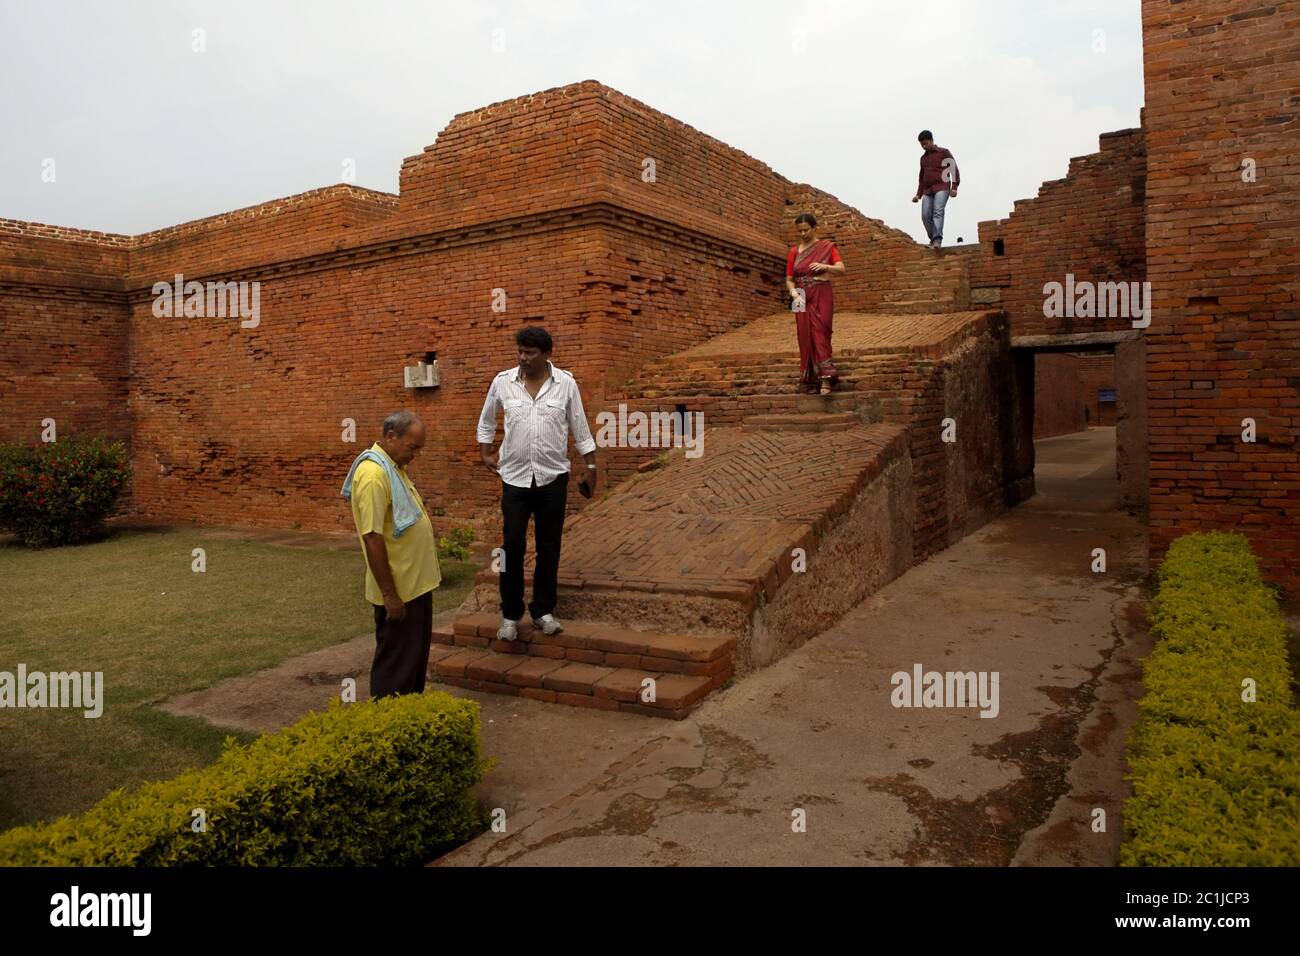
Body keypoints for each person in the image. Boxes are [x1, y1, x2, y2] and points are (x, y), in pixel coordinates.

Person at [476, 326, 599, 641]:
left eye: (530, 353)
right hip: (514, 479)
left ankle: (543, 610)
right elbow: (487, 419)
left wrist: (591, 465)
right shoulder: (503, 382)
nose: (523, 358)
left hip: (552, 478)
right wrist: (486, 452)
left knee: (549, 546)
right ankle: (510, 614)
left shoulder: (566, 384)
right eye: (520, 351)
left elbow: (579, 425)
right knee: (512, 545)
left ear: (546, 354)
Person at [341, 410, 442, 699]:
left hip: (415, 585)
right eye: (413, 448)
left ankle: (409, 721)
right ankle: (387, 726)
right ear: (390, 437)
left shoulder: (393, 467)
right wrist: (390, 595)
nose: (416, 455)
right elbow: (372, 537)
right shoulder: (374, 475)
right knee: (396, 666)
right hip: (399, 591)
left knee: (413, 664)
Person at [785, 213, 846, 395]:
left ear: (814, 228)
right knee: (804, 336)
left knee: (821, 331)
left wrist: (825, 266)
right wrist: (793, 292)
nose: (803, 233)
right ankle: (810, 379)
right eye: (800, 231)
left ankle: (826, 379)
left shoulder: (826, 247)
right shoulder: (794, 252)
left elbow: (842, 269)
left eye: (806, 229)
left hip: (821, 290)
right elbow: (789, 279)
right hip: (800, 295)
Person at [912, 130, 960, 248]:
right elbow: (922, 178)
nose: (924, 146)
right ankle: (933, 238)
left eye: (926, 143)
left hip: (942, 186)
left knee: (937, 212)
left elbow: (953, 169)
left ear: (932, 140)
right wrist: (918, 194)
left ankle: (937, 240)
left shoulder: (943, 153)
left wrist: (954, 187)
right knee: (925, 215)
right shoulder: (923, 159)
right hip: (927, 190)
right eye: (922, 144)